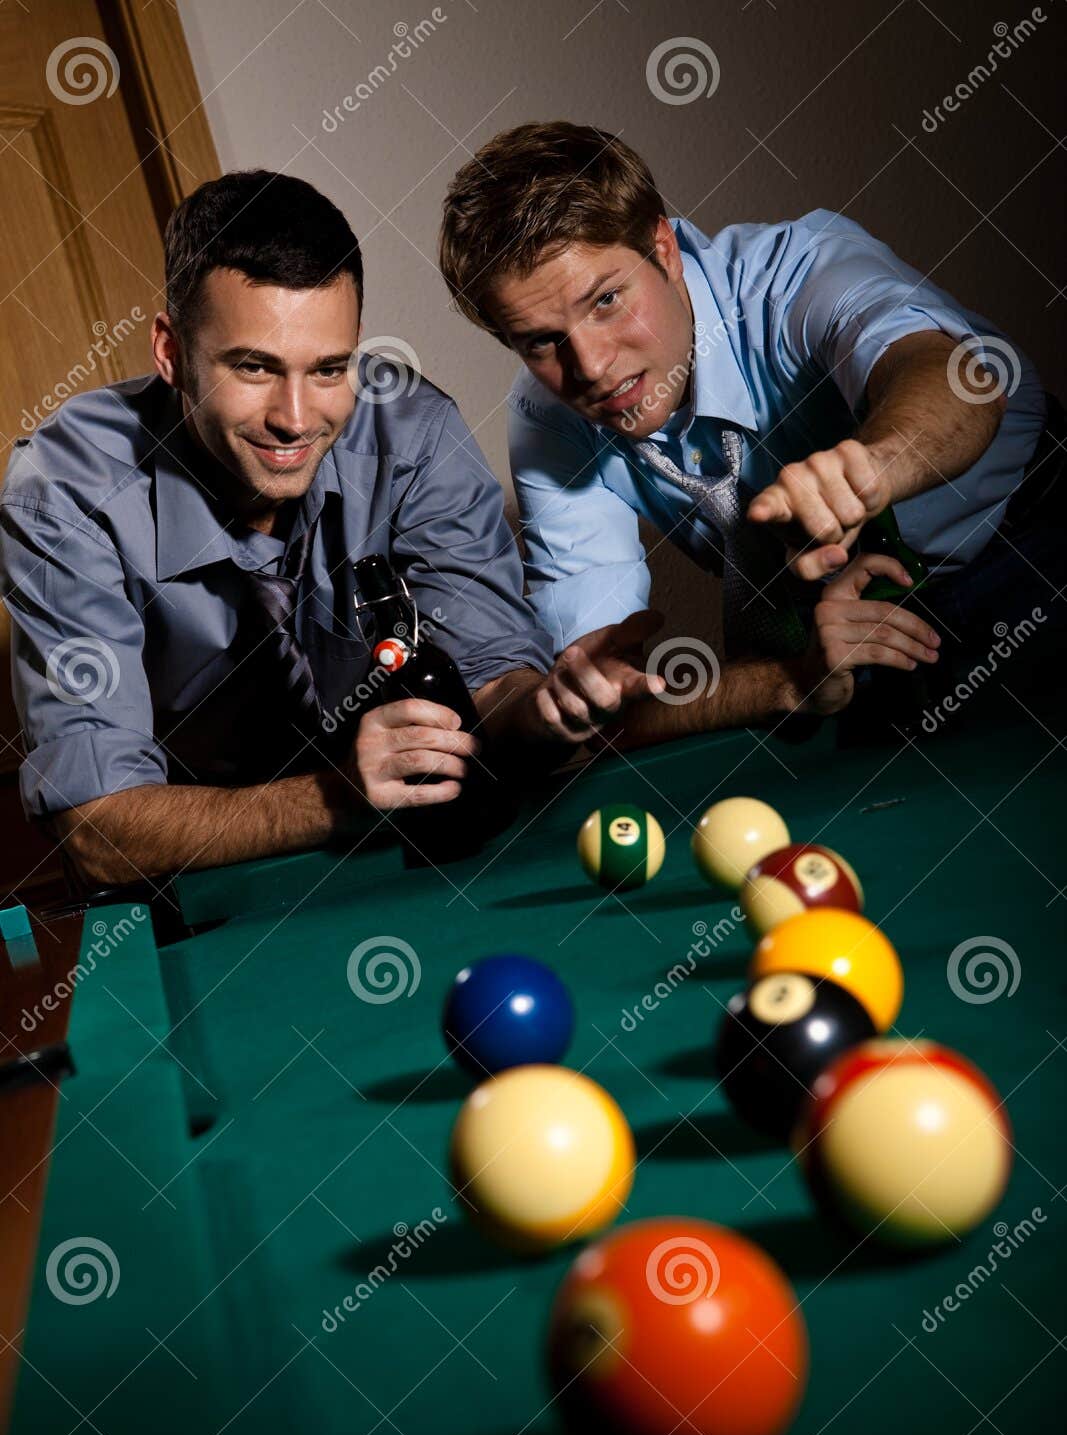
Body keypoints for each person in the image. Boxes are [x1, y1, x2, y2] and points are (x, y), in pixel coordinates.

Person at [2, 172, 928, 896]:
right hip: (207, 884)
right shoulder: (64, 489)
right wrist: (338, 792)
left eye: (329, 368)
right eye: (252, 367)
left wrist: (558, 701)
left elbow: (499, 699)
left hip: (438, 861)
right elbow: (98, 828)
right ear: (170, 351)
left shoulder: (410, 432)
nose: (295, 416)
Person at [438, 122, 1063, 732]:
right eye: (543, 341)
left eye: (605, 300)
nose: (592, 368)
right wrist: (788, 681)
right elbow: (609, 699)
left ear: (664, 250)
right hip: (844, 640)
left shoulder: (796, 274)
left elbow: (963, 382)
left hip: (1034, 538)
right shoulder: (547, 420)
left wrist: (872, 468)